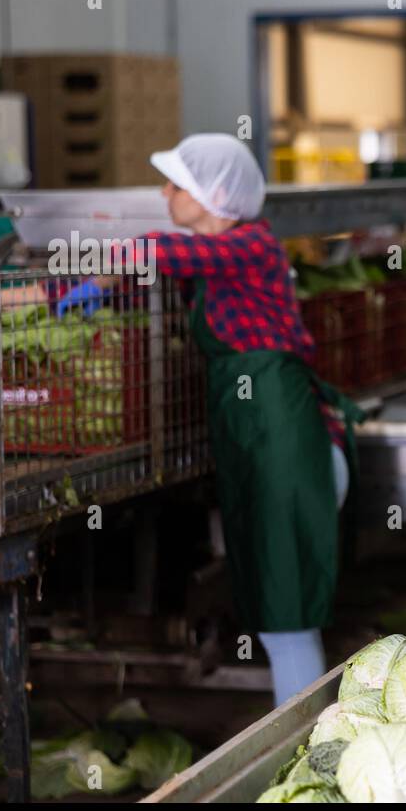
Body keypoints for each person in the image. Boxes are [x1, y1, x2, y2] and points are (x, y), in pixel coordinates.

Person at [141, 134, 361, 706]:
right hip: (262, 446)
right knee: (274, 616)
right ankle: (304, 754)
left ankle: (308, 759)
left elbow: (161, 253)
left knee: (286, 621)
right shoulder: (219, 255)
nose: (164, 192)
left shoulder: (249, 245)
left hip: (287, 452)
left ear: (212, 196)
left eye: (176, 184)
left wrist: (69, 264)